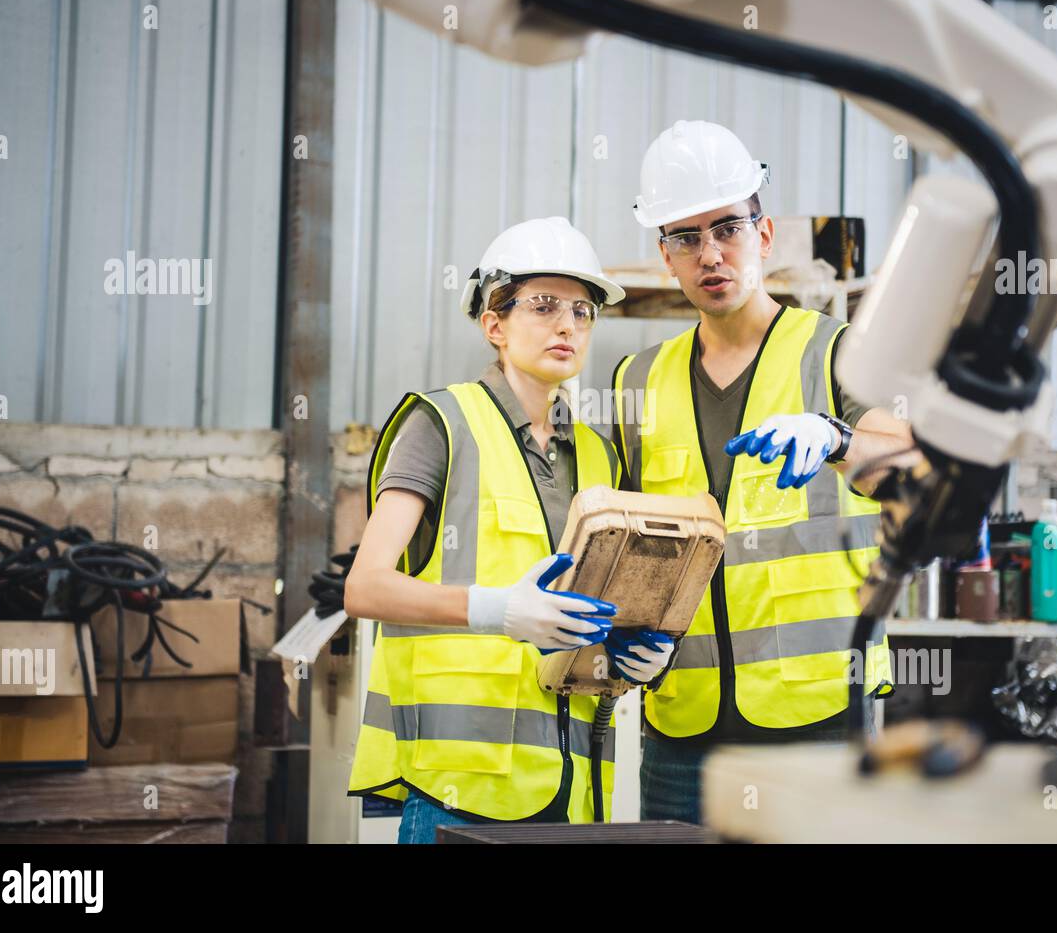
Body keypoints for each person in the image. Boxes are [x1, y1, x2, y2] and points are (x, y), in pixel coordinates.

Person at [612, 121, 921, 825]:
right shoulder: (637, 379)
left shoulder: (837, 352)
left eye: (727, 227)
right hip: (682, 722)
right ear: (665, 254)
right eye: (685, 236)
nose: (710, 253)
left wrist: (838, 437)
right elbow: (627, 543)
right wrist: (618, 633)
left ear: (765, 233)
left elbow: (915, 470)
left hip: (816, 716)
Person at [345, 216, 673, 842]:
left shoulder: (601, 456)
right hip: (457, 793)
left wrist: (631, 657)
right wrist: (498, 611)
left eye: (582, 311)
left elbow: (590, 612)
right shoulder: (441, 423)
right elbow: (365, 588)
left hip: (573, 794)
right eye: (544, 305)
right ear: (494, 325)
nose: (567, 325)